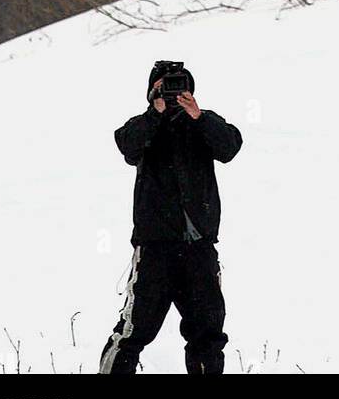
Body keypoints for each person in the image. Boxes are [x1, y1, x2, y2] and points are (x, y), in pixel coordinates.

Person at [98, 61, 243, 375]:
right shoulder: (146, 124)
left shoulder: (203, 122)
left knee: (208, 333)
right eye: (166, 86)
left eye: (180, 85)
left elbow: (230, 146)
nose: (175, 92)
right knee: (133, 332)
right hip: (155, 250)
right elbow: (126, 143)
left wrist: (198, 117)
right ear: (152, 91)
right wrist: (155, 113)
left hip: (199, 248)